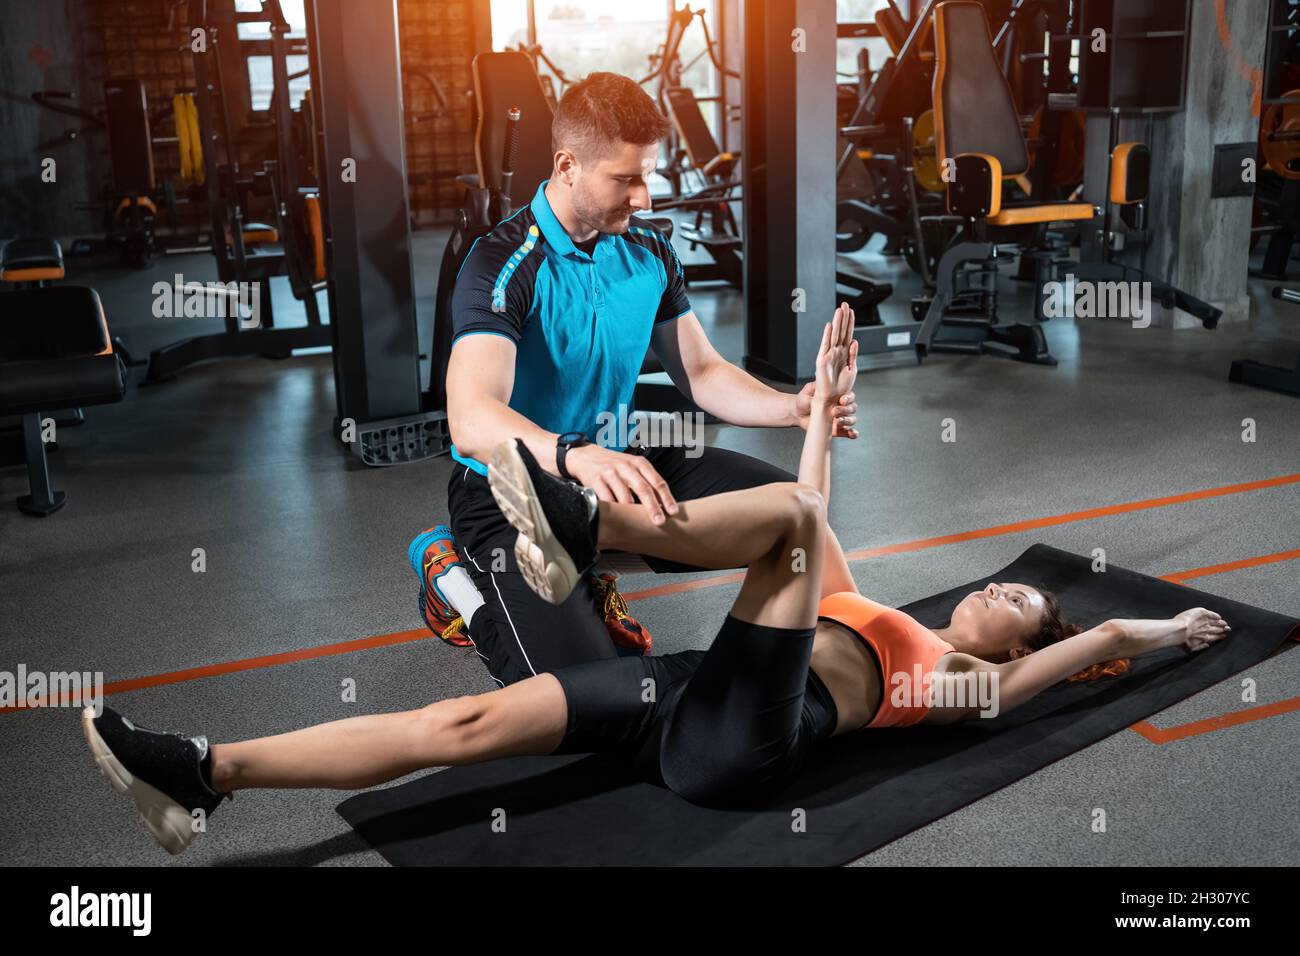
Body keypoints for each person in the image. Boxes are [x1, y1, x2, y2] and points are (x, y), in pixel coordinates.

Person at [82, 308, 1231, 854]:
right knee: (466, 720)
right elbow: (812, 504)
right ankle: (206, 773)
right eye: (1003, 587)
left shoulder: (958, 685)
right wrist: (820, 392)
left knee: (788, 517)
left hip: (751, 745)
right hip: (686, 688)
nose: (992, 593)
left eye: (1014, 607)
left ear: (1009, 646)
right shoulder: (869, 607)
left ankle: (578, 532)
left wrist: (1154, 626)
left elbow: (1083, 653)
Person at [439, 70, 858, 685]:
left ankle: (832, 664)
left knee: (795, 517)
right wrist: (576, 457)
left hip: (617, 460)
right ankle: (460, 586)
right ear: (567, 165)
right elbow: (471, 417)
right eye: (626, 179)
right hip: (512, 492)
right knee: (585, 700)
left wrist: (790, 409)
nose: (645, 199)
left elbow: (703, 371)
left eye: (649, 176)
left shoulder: (649, 250)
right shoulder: (503, 262)